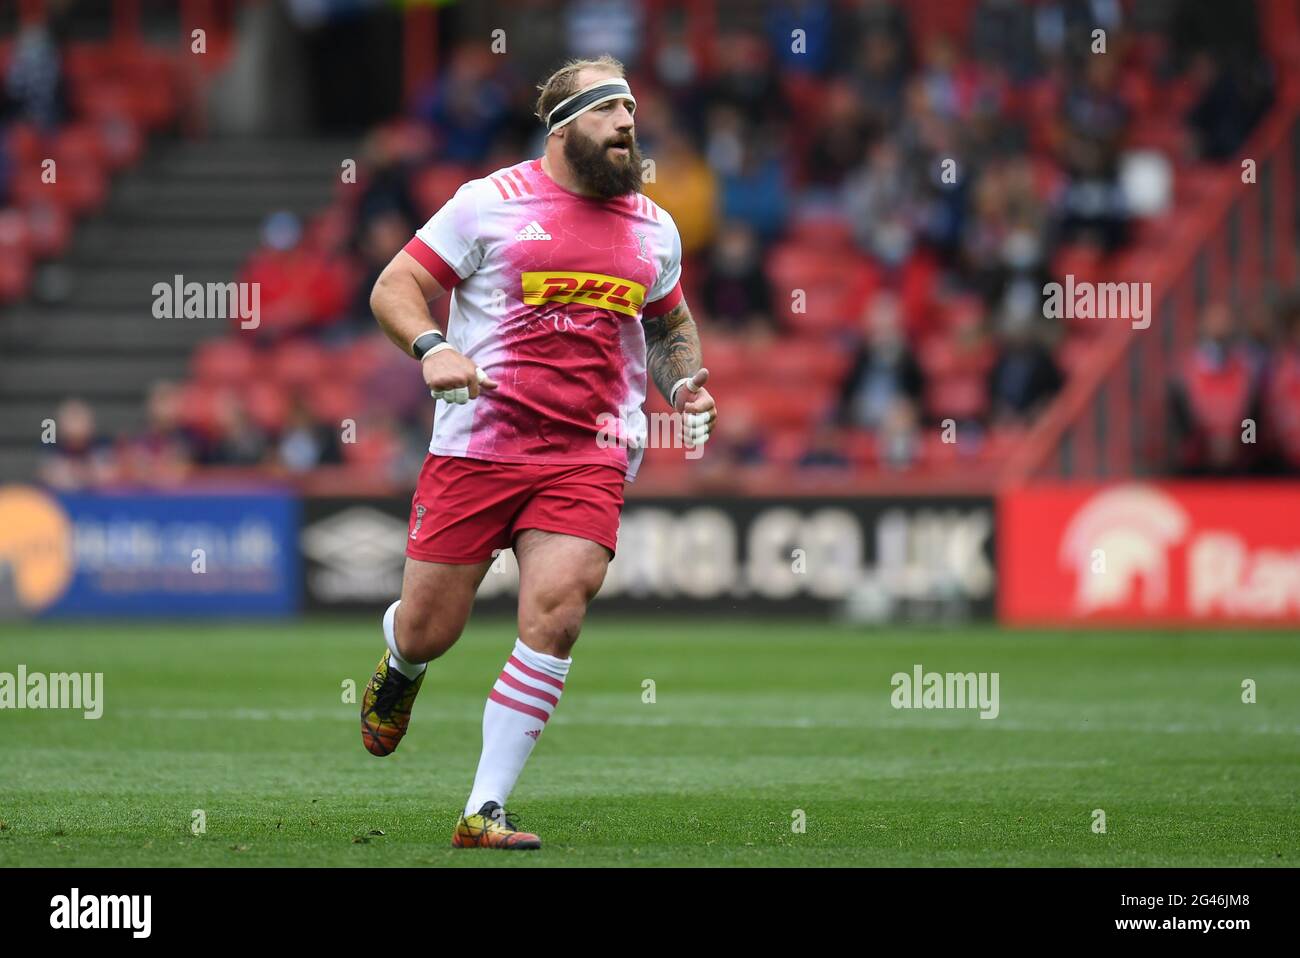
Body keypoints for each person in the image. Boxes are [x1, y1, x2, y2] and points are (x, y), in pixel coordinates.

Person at [360, 56, 717, 849]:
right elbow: (393, 286)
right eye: (607, 113)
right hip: (480, 447)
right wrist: (430, 347)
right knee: (430, 629)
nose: (627, 126)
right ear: (563, 128)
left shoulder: (653, 228)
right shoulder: (487, 203)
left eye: (631, 112)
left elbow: (669, 326)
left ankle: (482, 809)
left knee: (558, 611)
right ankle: (401, 664)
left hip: (590, 451)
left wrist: (686, 385)